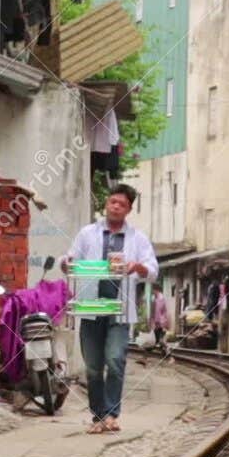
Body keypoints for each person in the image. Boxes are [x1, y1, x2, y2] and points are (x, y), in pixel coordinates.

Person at [64, 183, 159, 434]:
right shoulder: (87, 234)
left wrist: (136, 267)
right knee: (93, 367)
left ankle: (112, 414)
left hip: (120, 309)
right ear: (106, 203)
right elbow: (69, 260)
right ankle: (98, 416)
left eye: (122, 204)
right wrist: (68, 263)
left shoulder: (137, 238)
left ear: (128, 210)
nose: (115, 207)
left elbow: (153, 270)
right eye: (112, 202)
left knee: (115, 360)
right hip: (91, 306)